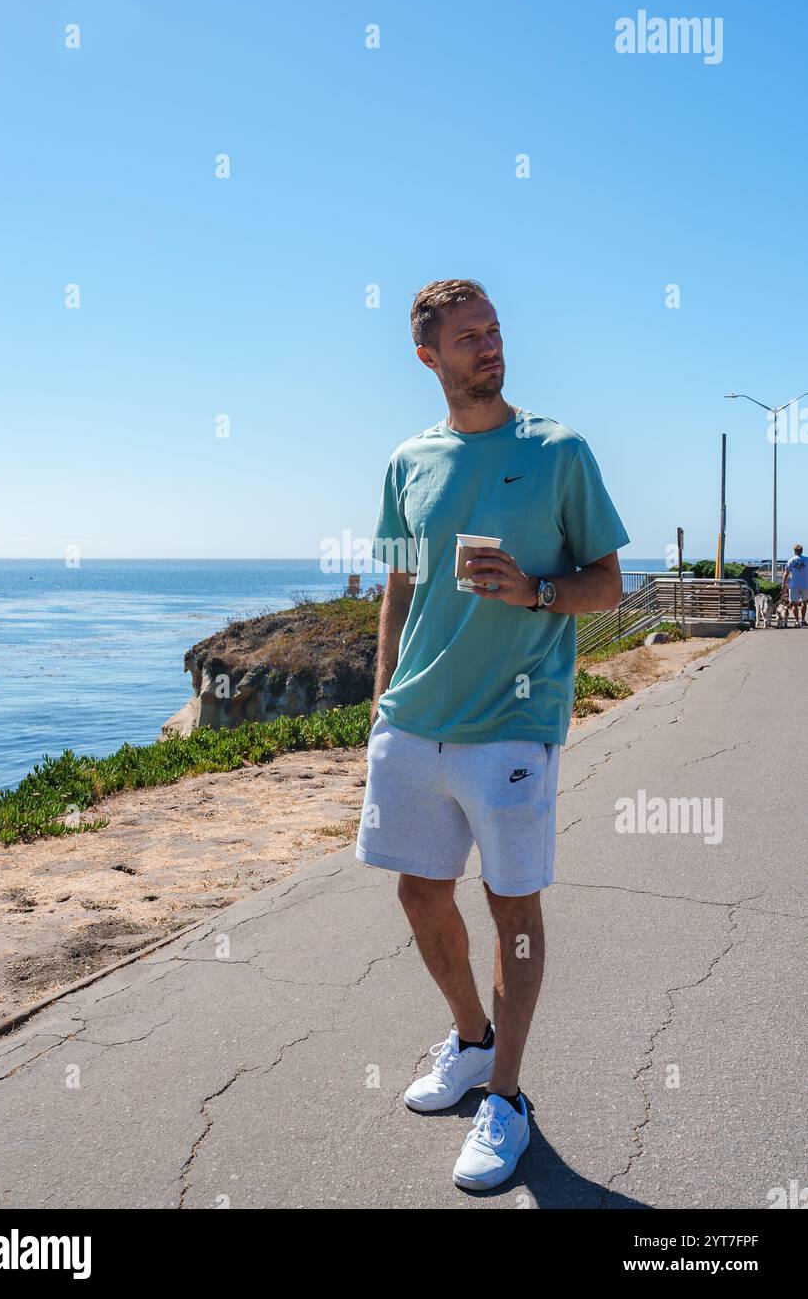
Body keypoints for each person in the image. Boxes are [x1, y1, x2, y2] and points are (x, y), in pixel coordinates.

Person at [356, 279, 630, 1191]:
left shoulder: (558, 451)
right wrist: (382, 693)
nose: (489, 346)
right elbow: (397, 587)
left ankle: (507, 1099)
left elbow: (609, 584)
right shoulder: (408, 462)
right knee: (420, 895)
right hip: (414, 721)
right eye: (468, 337)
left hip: (515, 723)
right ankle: (470, 1041)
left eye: (495, 330)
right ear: (428, 357)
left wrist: (537, 592)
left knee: (513, 909)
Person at [782, 545, 808, 627]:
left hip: (794, 585)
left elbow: (786, 573)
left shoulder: (791, 560)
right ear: (802, 551)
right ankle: (803, 620)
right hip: (805, 585)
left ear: (794, 551)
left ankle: (797, 621)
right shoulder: (806, 560)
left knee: (794, 604)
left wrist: (784, 584)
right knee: (804, 602)